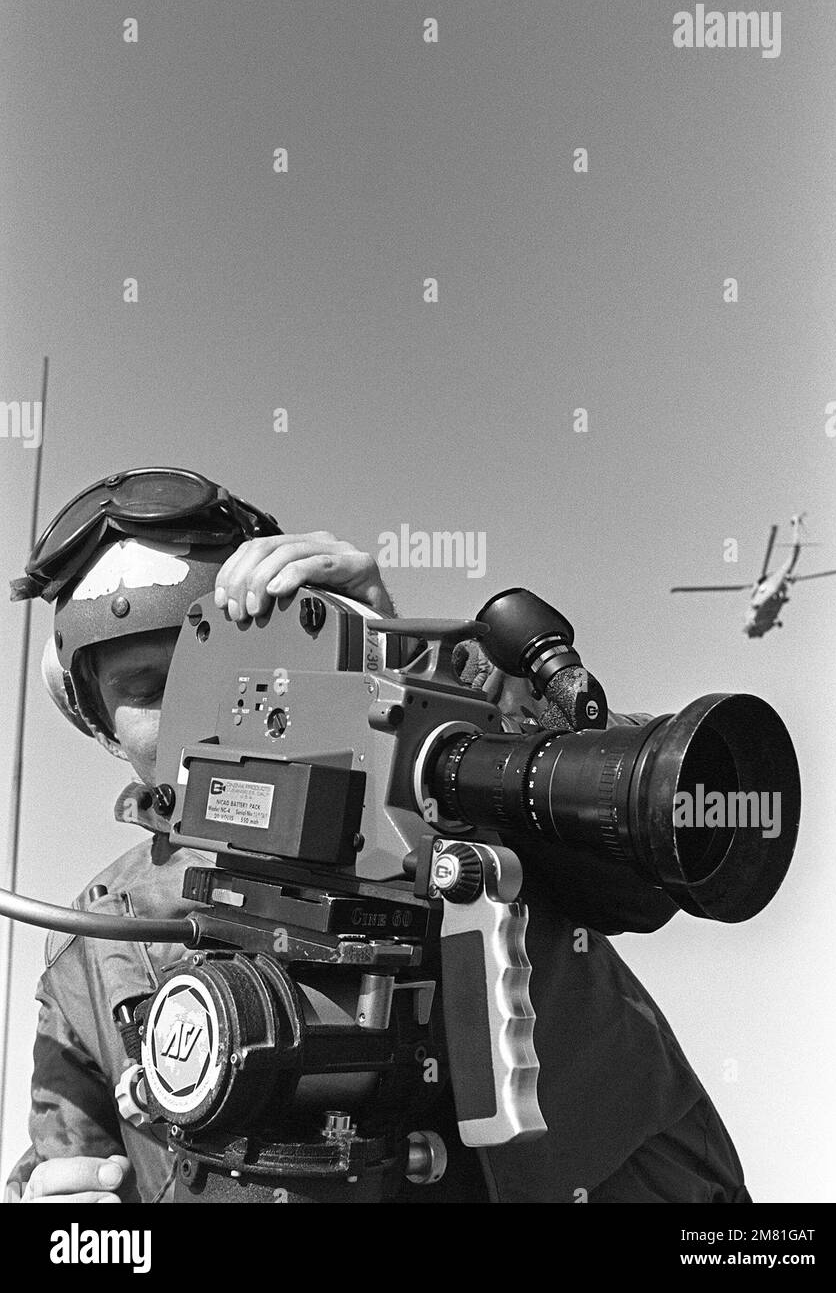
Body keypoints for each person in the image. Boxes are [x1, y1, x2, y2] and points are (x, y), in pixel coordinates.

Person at [4, 468, 750, 1204]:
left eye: (224, 666)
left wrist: (404, 673)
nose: (200, 711)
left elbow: (677, 823)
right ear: (103, 731)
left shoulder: (465, 731)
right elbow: (58, 1162)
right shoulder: (95, 946)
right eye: (146, 689)